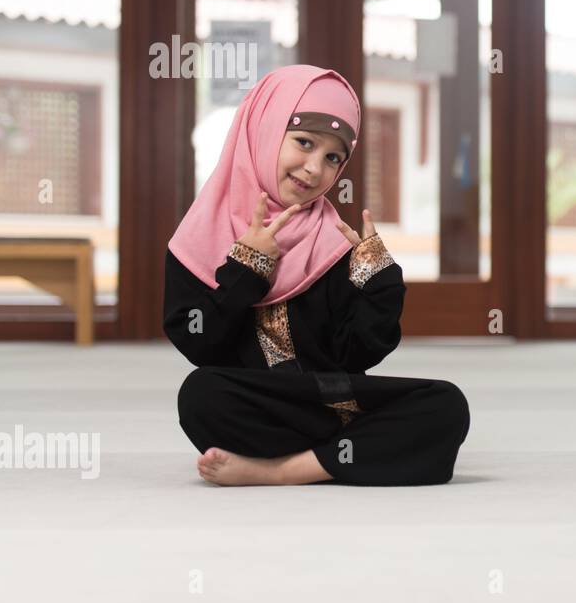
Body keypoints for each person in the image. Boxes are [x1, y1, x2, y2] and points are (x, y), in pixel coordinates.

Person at [163, 64, 469, 487]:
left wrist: (379, 285)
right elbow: (198, 343)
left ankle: (286, 470)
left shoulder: (334, 245)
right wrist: (247, 269)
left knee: (445, 405)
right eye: (303, 142)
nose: (313, 169)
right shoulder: (199, 237)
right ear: (264, 130)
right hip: (263, 405)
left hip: (330, 402)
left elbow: (353, 357)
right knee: (200, 394)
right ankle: (355, 455)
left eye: (332, 158)